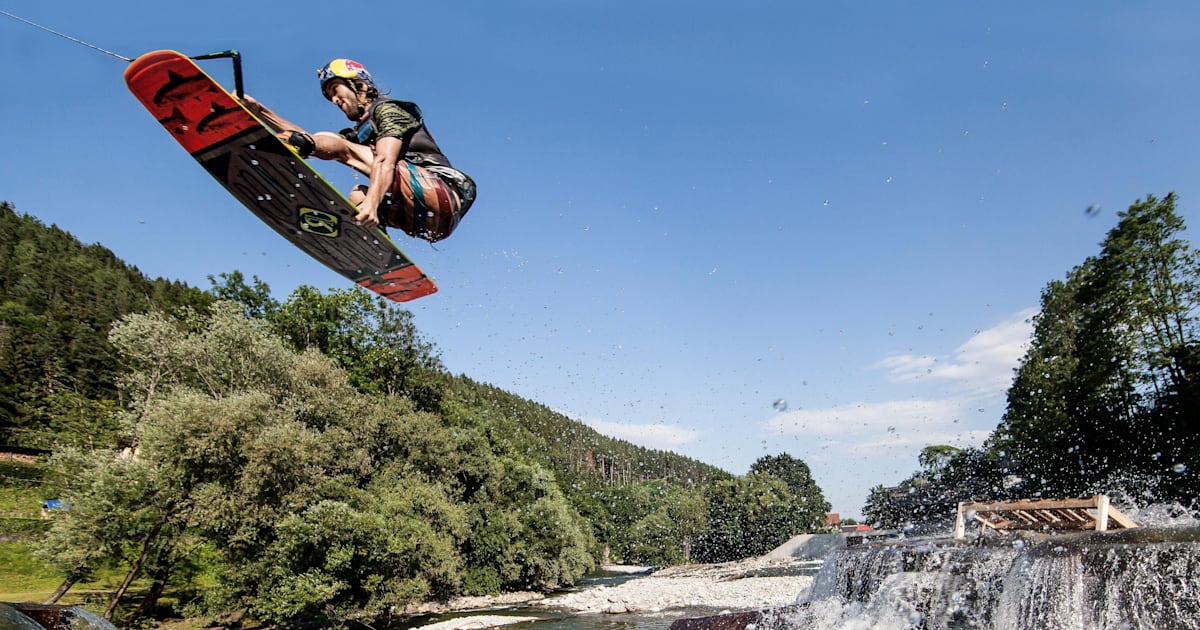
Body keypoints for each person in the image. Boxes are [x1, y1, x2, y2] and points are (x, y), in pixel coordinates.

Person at [240, 58, 475, 242]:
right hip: (435, 224)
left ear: (359, 85)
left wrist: (373, 203)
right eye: (330, 96)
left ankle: (372, 211)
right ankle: (376, 237)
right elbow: (319, 141)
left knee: (346, 158)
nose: (334, 100)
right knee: (356, 195)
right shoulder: (362, 131)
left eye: (335, 89)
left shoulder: (388, 111)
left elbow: (385, 160)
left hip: (439, 191)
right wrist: (259, 111)